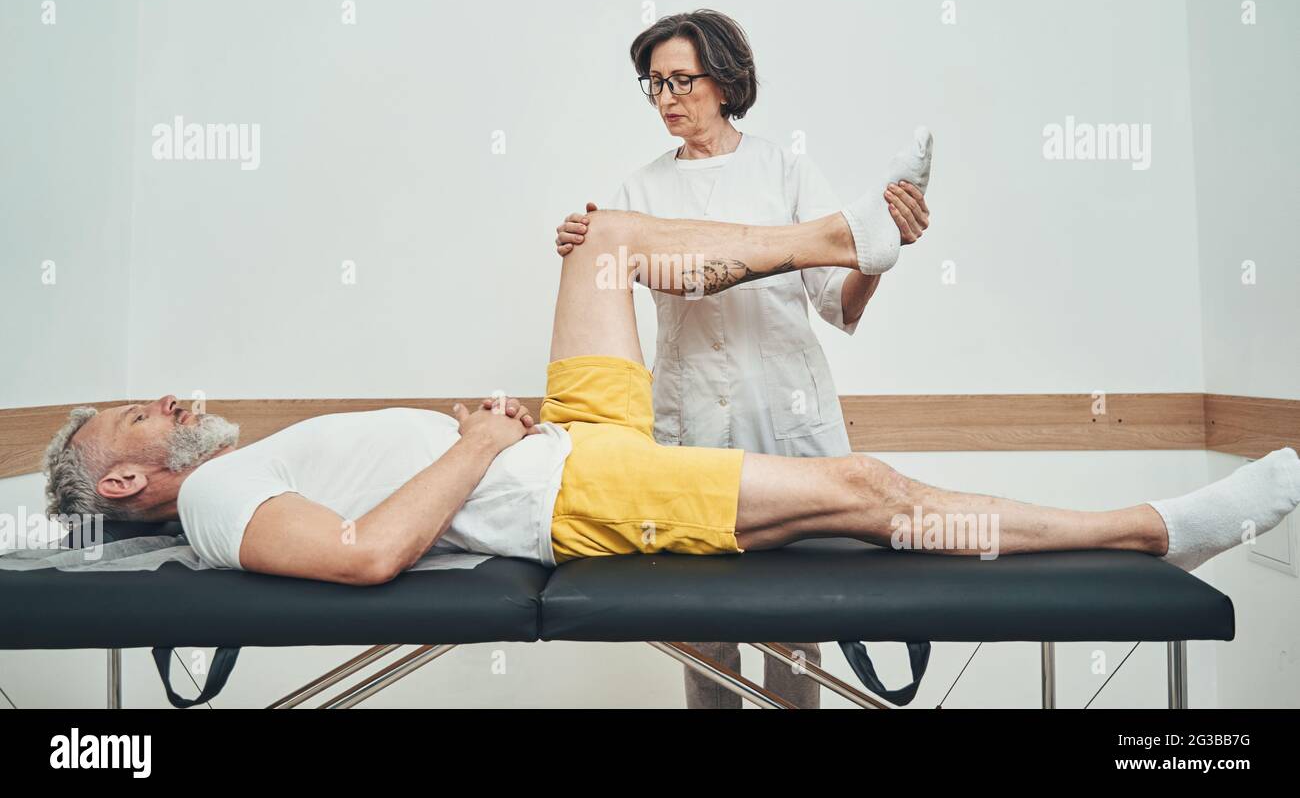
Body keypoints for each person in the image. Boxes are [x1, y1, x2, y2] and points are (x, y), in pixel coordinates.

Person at [43, 169, 1300, 633]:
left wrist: (481, 435)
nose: (164, 405)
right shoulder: (211, 495)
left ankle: (838, 237)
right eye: (134, 420)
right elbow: (368, 555)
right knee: (867, 495)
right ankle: (1160, 525)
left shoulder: (226, 470)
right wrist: (479, 438)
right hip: (576, 487)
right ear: (122, 483)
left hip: (565, 447)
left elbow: (375, 506)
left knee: (598, 240)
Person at [554, 8, 932, 708]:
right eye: (654, 84)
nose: (666, 98)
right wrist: (590, 239)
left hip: (785, 413)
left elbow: (839, 307)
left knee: (798, 618)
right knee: (702, 620)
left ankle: (860, 233)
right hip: (687, 418)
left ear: (724, 81)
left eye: (680, 81)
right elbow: (624, 286)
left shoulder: (785, 170)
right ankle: (853, 231)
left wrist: (877, 258)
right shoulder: (639, 190)